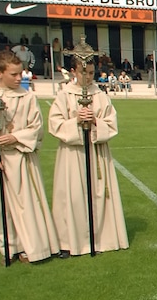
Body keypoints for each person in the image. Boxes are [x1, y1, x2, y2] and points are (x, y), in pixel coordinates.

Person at [0, 49, 59, 264]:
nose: (19, 78)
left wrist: (16, 137)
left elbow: (36, 127)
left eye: (21, 73)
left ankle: (31, 248)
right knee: (2, 205)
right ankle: (9, 248)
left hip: (22, 156)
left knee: (27, 203)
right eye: (13, 74)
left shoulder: (27, 97)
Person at [48, 48, 129, 258]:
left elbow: (111, 123)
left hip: (96, 152)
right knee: (72, 195)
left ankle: (101, 238)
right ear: (74, 71)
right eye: (84, 73)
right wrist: (75, 120)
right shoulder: (64, 95)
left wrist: (94, 122)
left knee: (98, 193)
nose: (88, 77)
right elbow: (55, 125)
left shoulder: (100, 95)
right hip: (72, 153)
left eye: (91, 73)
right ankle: (69, 242)